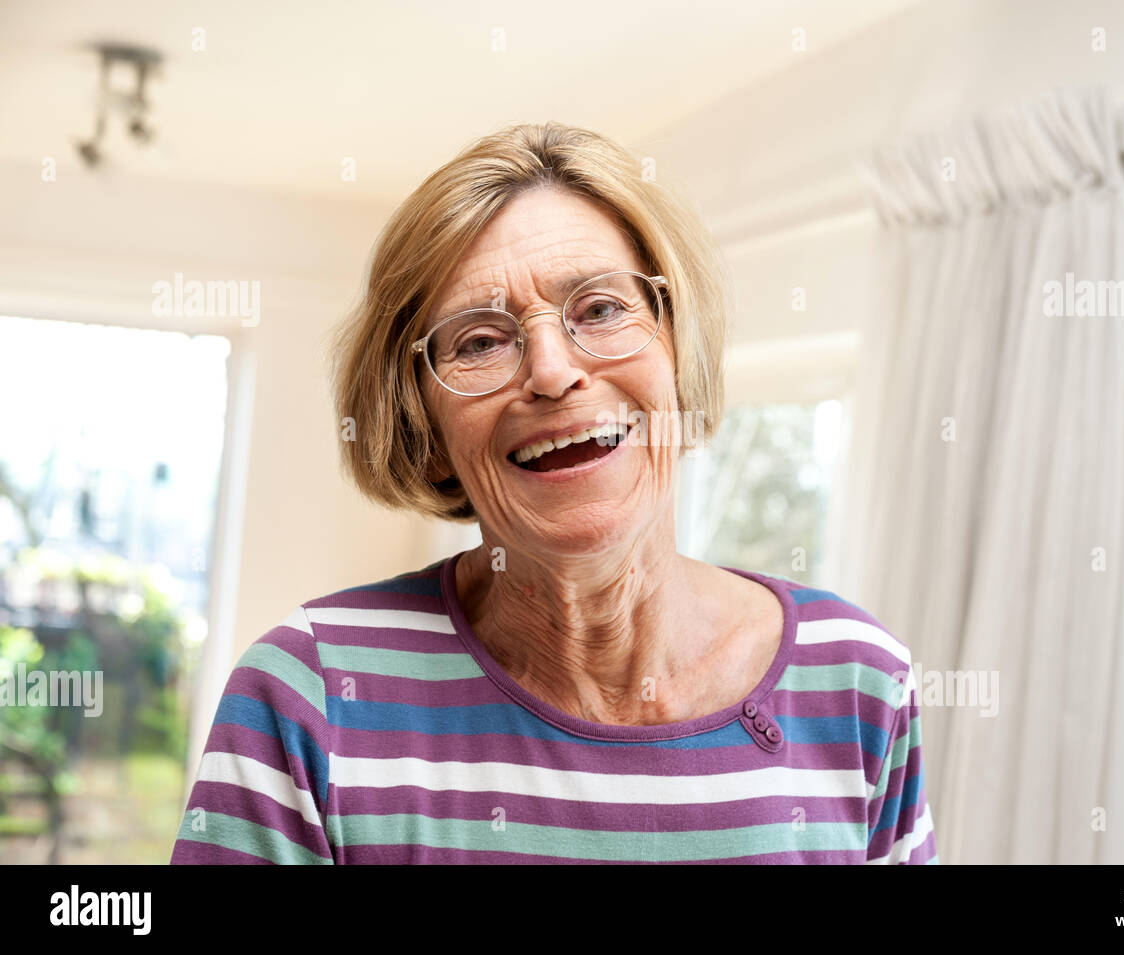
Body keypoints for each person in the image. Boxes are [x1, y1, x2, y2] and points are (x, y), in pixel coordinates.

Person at [170, 122, 937, 864]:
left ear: (677, 345)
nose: (551, 370)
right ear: (422, 417)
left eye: (600, 309)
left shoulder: (858, 682)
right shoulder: (310, 696)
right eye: (480, 340)